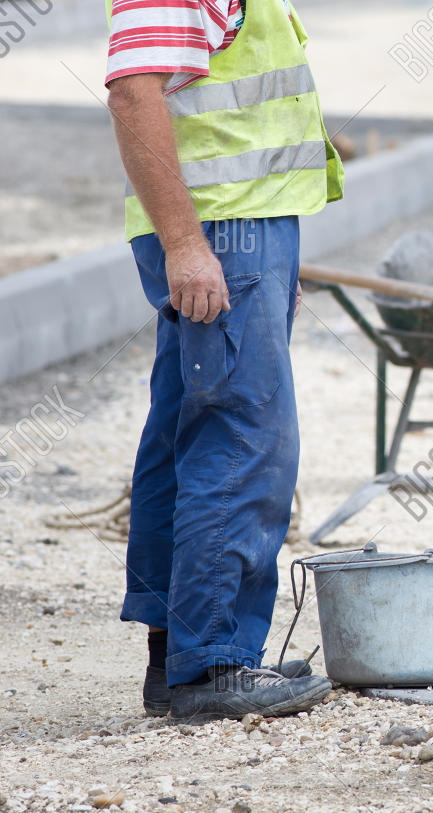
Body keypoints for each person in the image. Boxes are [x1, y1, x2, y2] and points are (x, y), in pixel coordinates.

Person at [105, 0, 342, 722]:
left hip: (244, 228)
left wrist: (268, 256)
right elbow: (133, 91)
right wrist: (187, 244)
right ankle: (213, 664)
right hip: (223, 225)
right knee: (243, 442)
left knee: (185, 433)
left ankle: (176, 658)